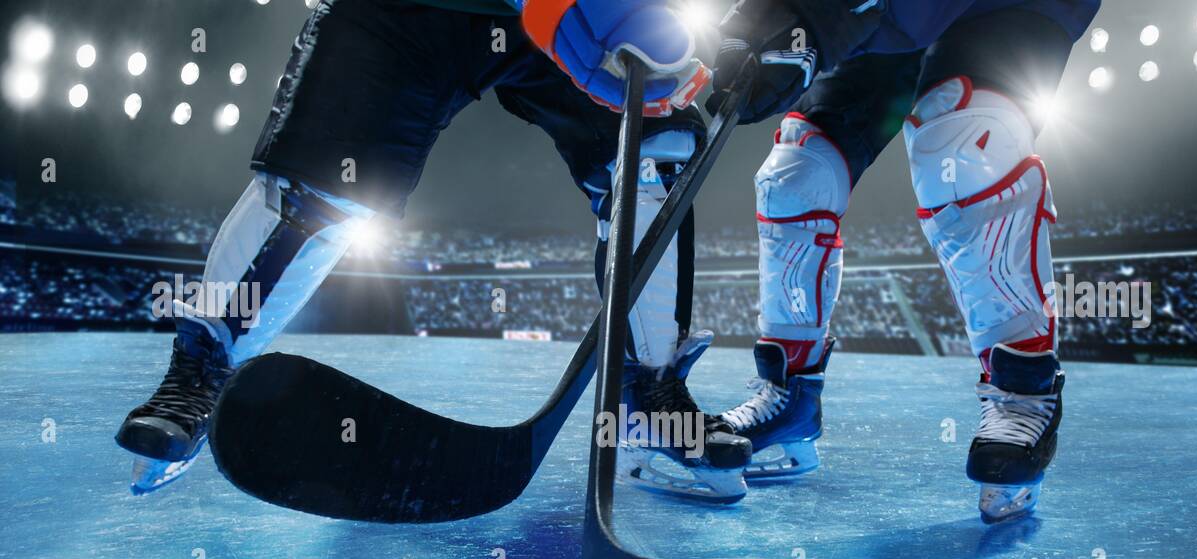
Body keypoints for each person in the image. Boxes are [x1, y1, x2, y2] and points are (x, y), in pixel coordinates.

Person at [115, 0, 751, 503]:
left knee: (655, 158)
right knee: (319, 189)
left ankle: (651, 395)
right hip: (409, 8)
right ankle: (202, 371)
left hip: (566, 12)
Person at [708, 0, 1100, 522]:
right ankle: (790, 395)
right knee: (798, 170)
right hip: (889, 14)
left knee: (965, 141)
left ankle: (1023, 392)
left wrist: (809, 16)